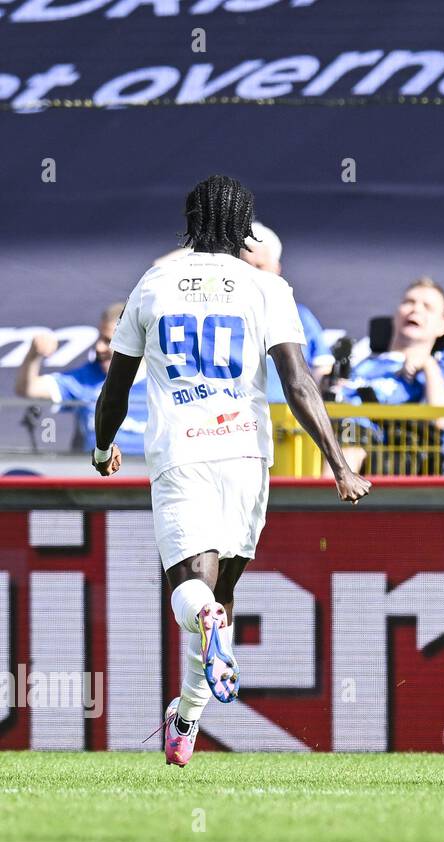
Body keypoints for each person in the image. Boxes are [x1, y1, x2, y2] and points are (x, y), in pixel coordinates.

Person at [91, 174, 370, 768]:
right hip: (245, 452)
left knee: (191, 585)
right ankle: (188, 714)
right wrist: (339, 465)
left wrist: (101, 447)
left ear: (190, 222)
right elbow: (298, 383)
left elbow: (117, 387)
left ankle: (197, 663)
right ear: (243, 227)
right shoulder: (265, 287)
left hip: (179, 451)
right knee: (222, 588)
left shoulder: (154, 283)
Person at [338, 277, 444, 475]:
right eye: (408, 302)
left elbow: (442, 418)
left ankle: (327, 501)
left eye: (427, 307)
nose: (415, 309)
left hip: (374, 452)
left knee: (351, 436)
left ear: (443, 326)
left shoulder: (437, 371)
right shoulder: (363, 363)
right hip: (330, 437)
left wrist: (428, 365)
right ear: (395, 315)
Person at [15, 303, 149, 455]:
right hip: (97, 475)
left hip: (147, 476)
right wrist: (33, 355)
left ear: (132, 341)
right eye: (99, 338)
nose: (98, 348)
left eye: (107, 341)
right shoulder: (87, 377)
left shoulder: (161, 379)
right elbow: (28, 389)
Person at [238, 221, 333, 402]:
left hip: (290, 425)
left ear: (277, 269)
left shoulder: (299, 315)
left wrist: (328, 382)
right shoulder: (218, 313)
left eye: (259, 266)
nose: (251, 274)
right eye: (244, 265)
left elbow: (322, 369)